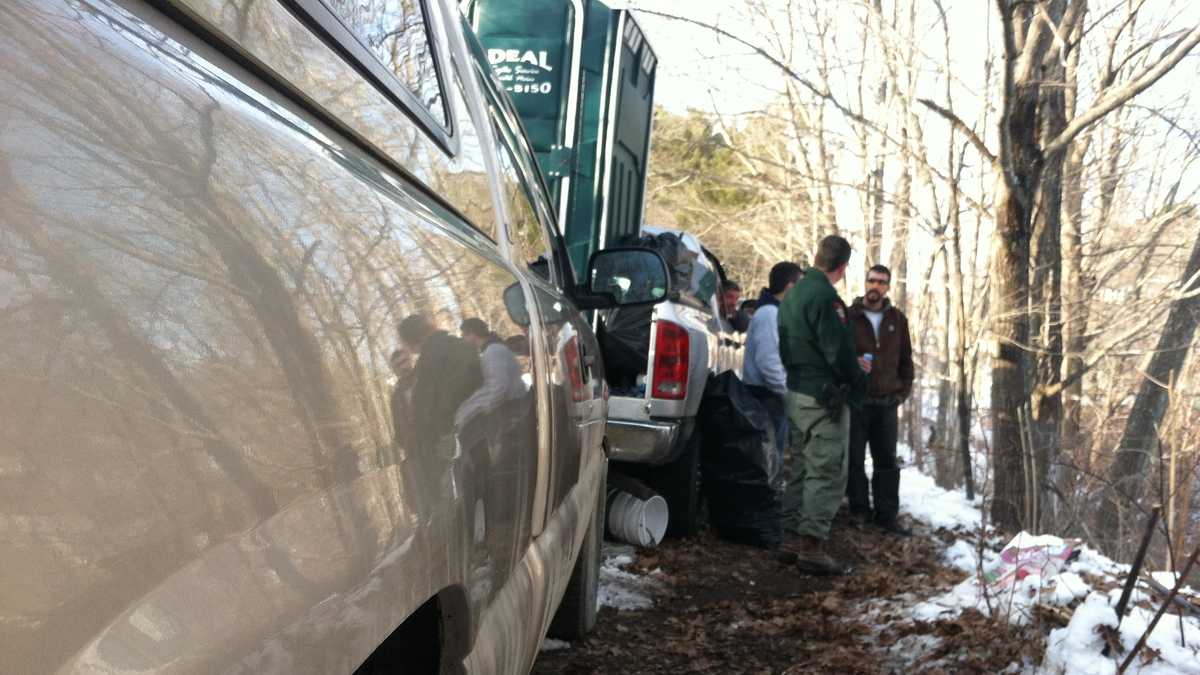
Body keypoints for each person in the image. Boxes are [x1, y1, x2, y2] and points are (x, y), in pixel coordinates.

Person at [777, 235, 869, 576]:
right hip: (822, 396)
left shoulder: (793, 294)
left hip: (797, 390)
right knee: (825, 468)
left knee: (800, 466)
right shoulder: (826, 299)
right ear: (842, 268)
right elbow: (838, 352)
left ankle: (790, 539)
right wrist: (858, 379)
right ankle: (812, 546)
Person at [846, 264, 915, 536]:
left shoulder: (897, 319)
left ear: (888, 287)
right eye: (872, 280)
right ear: (865, 283)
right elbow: (839, 353)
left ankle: (887, 515)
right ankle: (859, 510)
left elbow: (906, 359)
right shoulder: (849, 316)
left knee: (886, 461)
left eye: (882, 282)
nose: (876, 286)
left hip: (886, 402)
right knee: (854, 459)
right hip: (857, 401)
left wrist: (902, 392)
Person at [742, 262, 805, 472]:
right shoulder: (769, 314)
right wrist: (788, 394)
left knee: (774, 455)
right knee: (768, 459)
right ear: (789, 287)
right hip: (766, 400)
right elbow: (769, 363)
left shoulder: (776, 313)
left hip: (772, 399)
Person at [396, 314, 482, 451]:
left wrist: (438, 436)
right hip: (486, 418)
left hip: (465, 436)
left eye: (404, 342)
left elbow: (430, 410)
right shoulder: (460, 344)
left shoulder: (425, 366)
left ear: (411, 341)